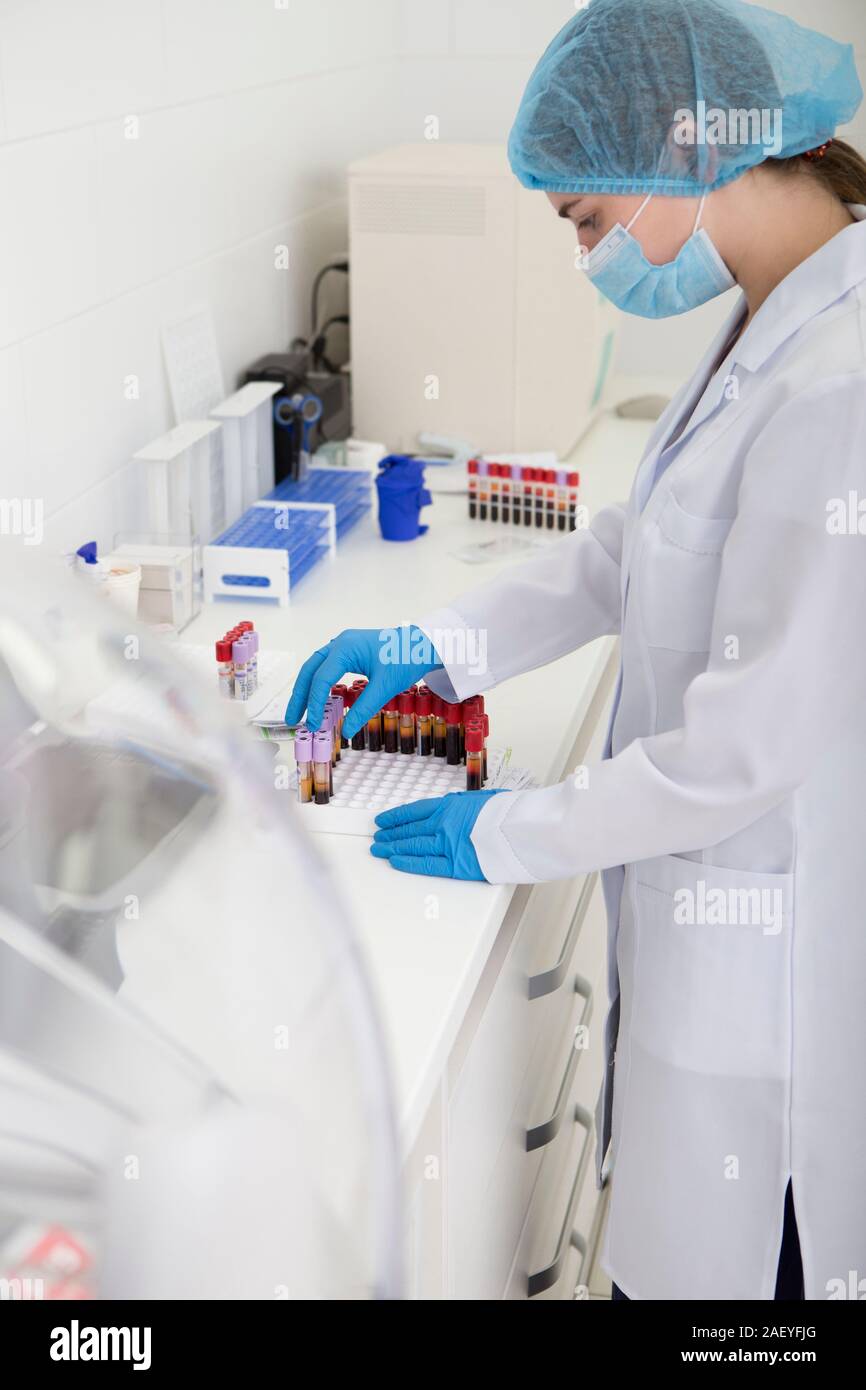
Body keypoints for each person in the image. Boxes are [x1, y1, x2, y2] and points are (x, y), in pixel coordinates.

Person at [285, 0, 866, 1301]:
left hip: (774, 1020)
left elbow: (741, 750)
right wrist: (434, 641)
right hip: (704, 956)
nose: (590, 260)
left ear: (689, 152)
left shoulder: (838, 378)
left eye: (587, 223)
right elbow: (634, 548)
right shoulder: (772, 316)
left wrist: (518, 828)